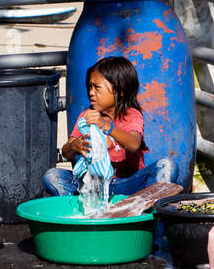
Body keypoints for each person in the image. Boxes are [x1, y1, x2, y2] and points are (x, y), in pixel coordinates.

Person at [43, 55, 174, 198]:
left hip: (127, 185)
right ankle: (79, 209)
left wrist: (106, 126)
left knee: (167, 166)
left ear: (120, 90)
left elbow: (134, 144)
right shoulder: (87, 116)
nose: (91, 92)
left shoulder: (131, 115)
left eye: (97, 88)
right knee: (53, 176)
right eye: (90, 87)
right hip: (93, 186)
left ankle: (138, 206)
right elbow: (66, 152)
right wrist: (74, 145)